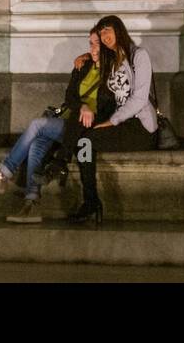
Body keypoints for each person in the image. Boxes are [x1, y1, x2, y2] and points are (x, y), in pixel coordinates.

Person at [0, 31, 114, 223]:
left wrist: (92, 113)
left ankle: (2, 175)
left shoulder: (114, 71)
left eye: (97, 44)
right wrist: (82, 105)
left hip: (86, 128)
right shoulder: (83, 65)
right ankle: (31, 204)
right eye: (90, 44)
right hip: (69, 122)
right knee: (38, 142)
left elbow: (112, 105)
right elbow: (70, 97)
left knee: (37, 125)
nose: (92, 48)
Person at [65, 14, 158, 225]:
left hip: (140, 128)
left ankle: (90, 203)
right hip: (121, 125)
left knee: (85, 141)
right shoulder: (110, 60)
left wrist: (113, 120)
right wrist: (85, 56)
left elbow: (140, 98)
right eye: (101, 32)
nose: (105, 35)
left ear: (119, 30)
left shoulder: (138, 55)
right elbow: (95, 56)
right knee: (84, 142)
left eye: (108, 29)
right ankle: (91, 202)